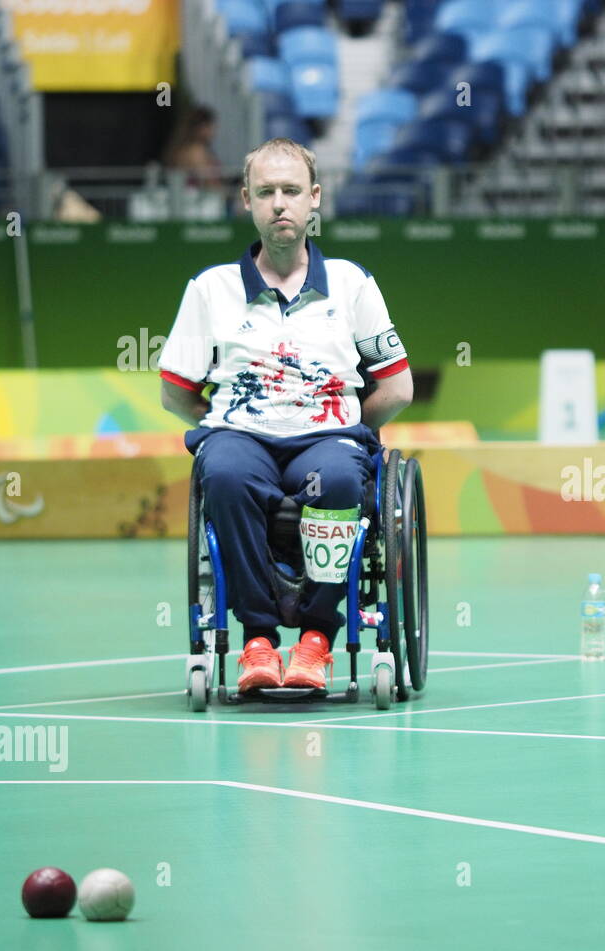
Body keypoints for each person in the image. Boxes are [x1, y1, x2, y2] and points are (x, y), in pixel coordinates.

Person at [158, 138, 414, 694]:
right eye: (266, 192)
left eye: (292, 191)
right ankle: (258, 641)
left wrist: (350, 426)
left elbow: (397, 386)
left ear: (314, 199)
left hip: (327, 438)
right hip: (241, 435)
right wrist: (224, 418)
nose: (280, 203)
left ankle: (317, 640)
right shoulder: (211, 289)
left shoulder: (351, 283)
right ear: (246, 200)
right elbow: (175, 391)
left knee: (344, 477)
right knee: (222, 471)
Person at [163, 106, 225, 191]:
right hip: (199, 200)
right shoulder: (196, 151)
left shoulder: (183, 149)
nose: (213, 132)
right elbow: (208, 181)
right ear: (201, 128)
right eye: (210, 127)